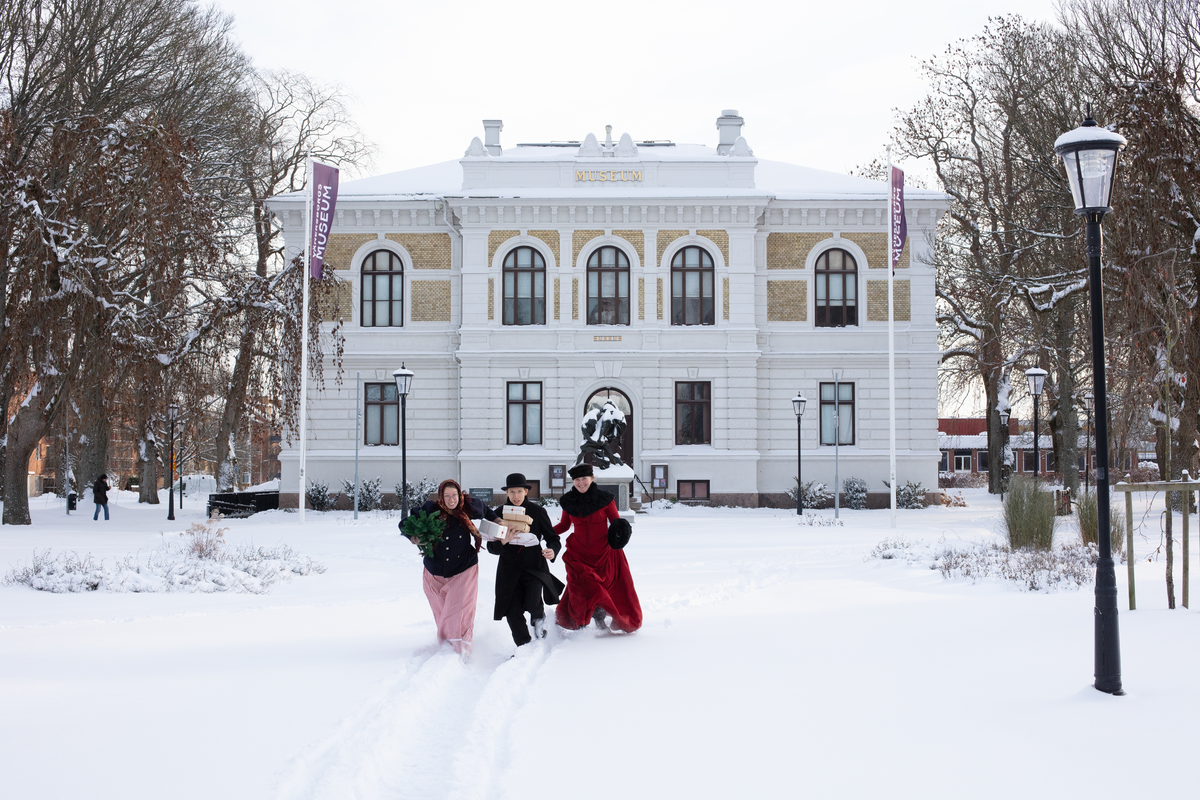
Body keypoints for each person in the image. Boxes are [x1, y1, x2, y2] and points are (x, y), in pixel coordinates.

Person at [405, 479, 501, 659]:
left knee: (458, 611)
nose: (451, 500)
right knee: (442, 613)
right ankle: (448, 645)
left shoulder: (468, 507)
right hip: (435, 571)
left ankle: (460, 650)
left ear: (459, 495)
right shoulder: (430, 510)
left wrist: (497, 520)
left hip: (463, 568)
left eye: (454, 495)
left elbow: (486, 510)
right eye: (447, 496)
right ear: (441, 497)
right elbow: (406, 523)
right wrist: (414, 537)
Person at [553, 464, 642, 633]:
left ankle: (598, 617)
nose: (581, 483)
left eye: (584, 479)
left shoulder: (605, 499)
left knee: (600, 587)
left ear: (592, 479)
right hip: (578, 554)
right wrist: (546, 532)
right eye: (577, 480)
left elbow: (616, 522)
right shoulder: (568, 501)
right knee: (581, 586)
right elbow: (564, 525)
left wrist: (621, 537)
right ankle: (581, 621)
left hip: (603, 553)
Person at [487, 472, 564, 648]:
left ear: (526, 492)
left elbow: (553, 538)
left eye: (519, 491)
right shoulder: (497, 515)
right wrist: (503, 542)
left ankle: (538, 617)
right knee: (511, 609)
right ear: (506, 493)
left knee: (532, 601)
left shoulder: (537, 512)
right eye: (512, 492)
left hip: (534, 566)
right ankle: (523, 644)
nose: (516, 496)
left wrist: (552, 550)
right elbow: (492, 548)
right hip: (509, 569)